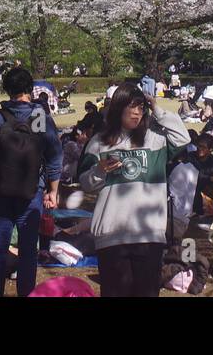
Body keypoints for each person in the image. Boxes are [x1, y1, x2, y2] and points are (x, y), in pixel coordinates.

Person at [78, 81, 190, 297]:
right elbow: (85, 183)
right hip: (112, 233)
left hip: (148, 234)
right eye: (132, 107)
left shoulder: (155, 139)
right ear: (119, 108)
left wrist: (157, 108)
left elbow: (183, 138)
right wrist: (100, 169)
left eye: (141, 107)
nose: (137, 113)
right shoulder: (99, 142)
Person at [0, 66, 62, 297]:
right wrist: (53, 190)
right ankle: (27, 293)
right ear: (29, 89)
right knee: (28, 250)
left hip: (1, 191)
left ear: (7, 89)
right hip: (31, 191)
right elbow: (53, 156)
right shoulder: (38, 116)